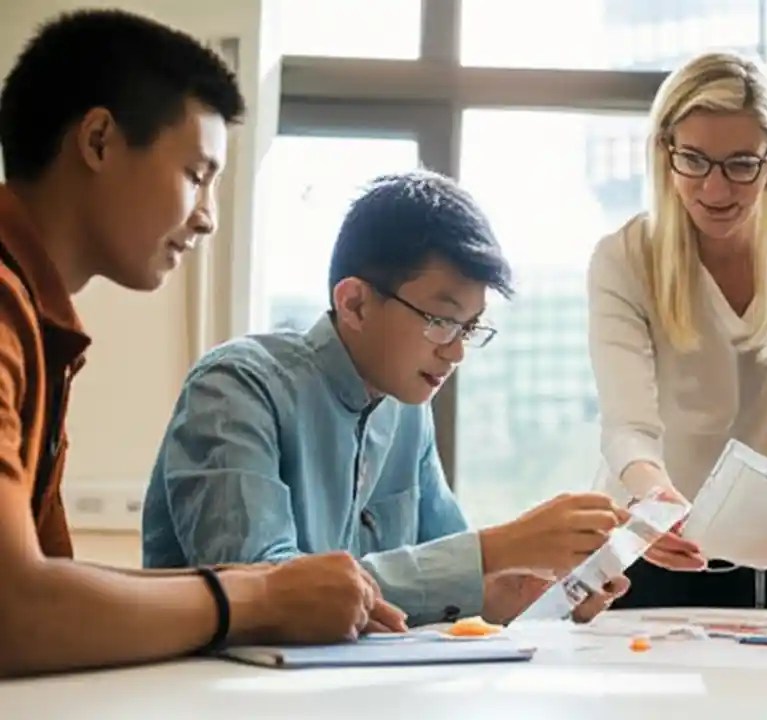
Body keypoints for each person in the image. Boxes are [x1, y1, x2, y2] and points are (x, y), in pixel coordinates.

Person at [0, 9, 391, 676]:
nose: (207, 216)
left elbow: (43, 585)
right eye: (196, 174)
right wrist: (259, 594)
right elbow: (16, 611)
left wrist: (262, 588)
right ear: (98, 141)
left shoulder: (35, 324)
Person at [143, 169, 629, 626]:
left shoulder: (405, 411)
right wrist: (499, 546)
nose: (457, 350)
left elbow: (444, 566)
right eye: (441, 321)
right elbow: (260, 590)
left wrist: (531, 590)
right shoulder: (236, 387)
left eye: (470, 327)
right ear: (353, 303)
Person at [588, 50, 767, 609]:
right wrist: (657, 499)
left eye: (741, 164)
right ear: (665, 153)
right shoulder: (625, 259)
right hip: (652, 544)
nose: (716, 190)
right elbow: (626, 427)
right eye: (695, 161)